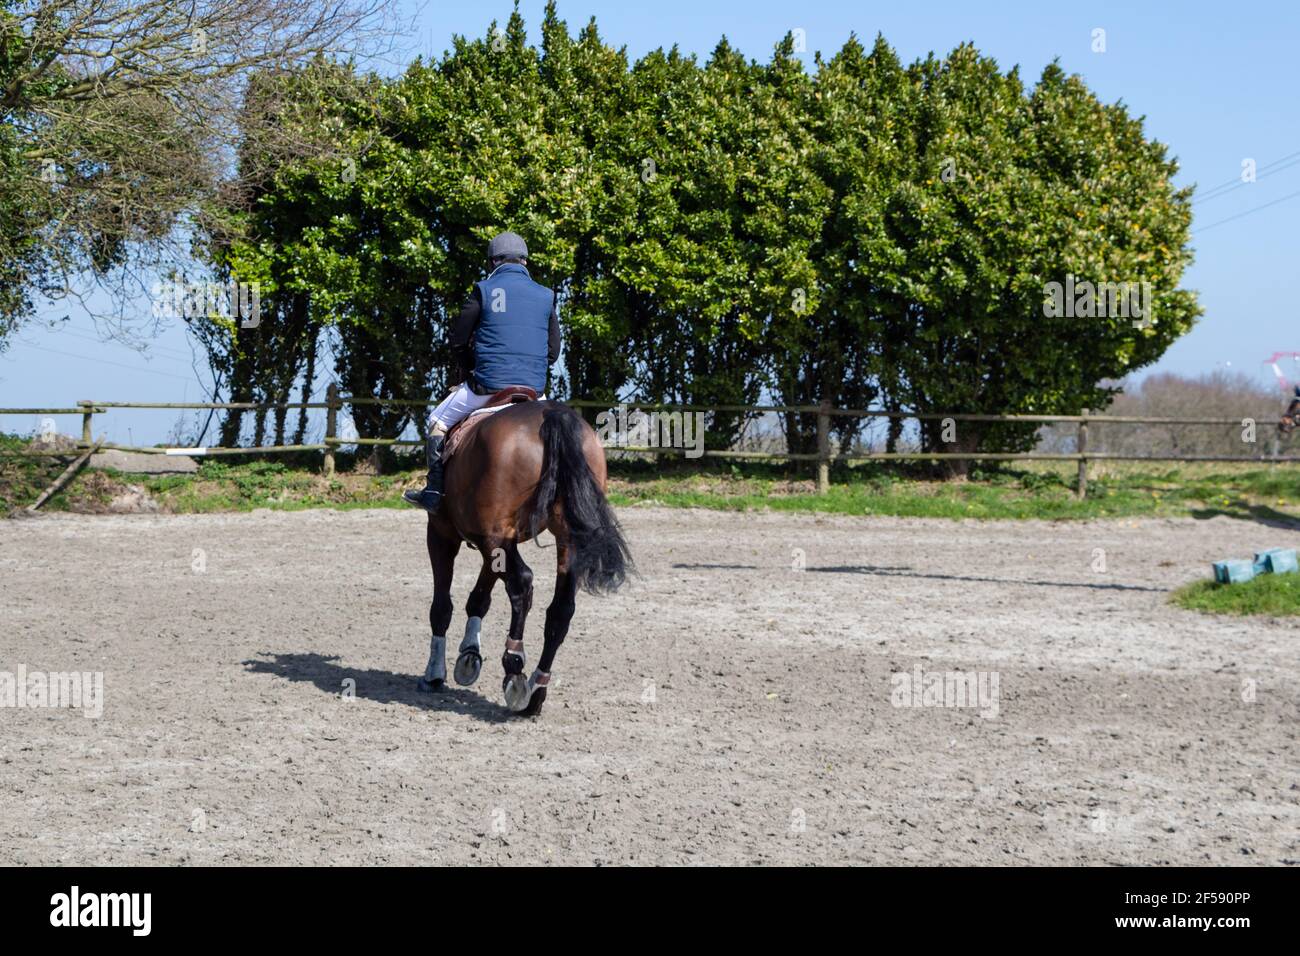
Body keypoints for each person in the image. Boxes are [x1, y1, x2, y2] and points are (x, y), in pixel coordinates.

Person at [403, 231, 561, 513]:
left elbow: (458, 340)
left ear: (492, 262)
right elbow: (553, 351)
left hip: (488, 386)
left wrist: (469, 367)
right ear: (525, 261)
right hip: (534, 390)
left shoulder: (483, 290)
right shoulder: (545, 295)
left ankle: (435, 492)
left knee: (437, 420)